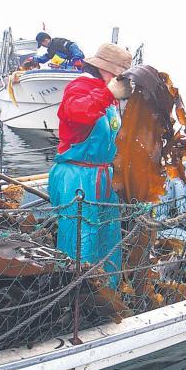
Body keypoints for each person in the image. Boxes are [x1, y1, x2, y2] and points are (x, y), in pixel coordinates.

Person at [47, 43, 133, 287]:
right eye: (117, 74)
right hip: (77, 177)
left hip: (105, 177)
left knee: (107, 239)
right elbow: (76, 112)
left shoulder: (111, 95)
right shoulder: (80, 86)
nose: (120, 80)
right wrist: (108, 94)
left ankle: (108, 294)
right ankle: (75, 299)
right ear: (101, 68)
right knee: (80, 243)